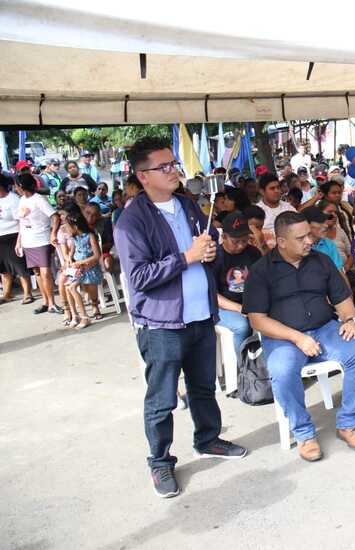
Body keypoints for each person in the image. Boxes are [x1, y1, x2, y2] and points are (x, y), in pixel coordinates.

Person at [114, 137, 246, 499]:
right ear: (143, 176)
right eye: (164, 166)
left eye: (174, 164)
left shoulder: (188, 206)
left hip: (201, 316)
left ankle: (208, 438)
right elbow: (139, 277)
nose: (174, 171)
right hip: (162, 324)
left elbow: (206, 251)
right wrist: (187, 257)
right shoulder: (130, 222)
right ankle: (159, 460)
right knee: (162, 399)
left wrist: (211, 251)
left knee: (203, 386)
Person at [243, 211, 355, 462]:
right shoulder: (261, 271)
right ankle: (304, 432)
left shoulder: (321, 261)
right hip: (283, 336)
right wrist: (297, 338)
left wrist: (349, 319)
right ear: (281, 242)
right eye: (301, 238)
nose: (309, 241)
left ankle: (348, 423)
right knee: (282, 370)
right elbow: (257, 320)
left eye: (309, 235)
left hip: (325, 329)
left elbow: (342, 297)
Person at [213, 211, 260, 358]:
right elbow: (211, 295)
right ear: (224, 237)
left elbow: (262, 281)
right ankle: (242, 366)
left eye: (244, 241)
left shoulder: (253, 253)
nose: (240, 245)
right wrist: (240, 308)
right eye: (235, 242)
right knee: (242, 326)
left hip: (250, 304)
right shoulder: (215, 257)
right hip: (221, 308)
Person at [15, 173, 61, 314]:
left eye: (17, 186)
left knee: (45, 272)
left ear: (22, 186)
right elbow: (21, 223)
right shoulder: (22, 200)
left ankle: (52, 303)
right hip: (28, 240)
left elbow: (55, 217)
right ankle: (46, 302)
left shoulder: (39, 200)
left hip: (41, 239)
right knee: (37, 273)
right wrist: (19, 241)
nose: (16, 188)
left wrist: (53, 233)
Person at [63, 210, 103, 329]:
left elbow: (97, 255)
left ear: (75, 227)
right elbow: (71, 253)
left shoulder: (90, 236)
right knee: (68, 287)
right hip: (79, 269)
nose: (66, 229)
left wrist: (80, 263)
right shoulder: (74, 238)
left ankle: (88, 312)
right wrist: (69, 260)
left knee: (81, 289)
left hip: (90, 267)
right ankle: (76, 315)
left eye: (67, 226)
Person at [0, 175, 33, 304]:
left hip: (13, 235)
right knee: (3, 269)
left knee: (19, 266)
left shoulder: (13, 199)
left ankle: (27, 293)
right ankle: (7, 294)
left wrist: (20, 239)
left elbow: (21, 220)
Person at [304, 206, 345, 271]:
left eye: (324, 221)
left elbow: (339, 271)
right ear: (306, 225)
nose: (326, 225)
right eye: (320, 222)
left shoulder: (329, 244)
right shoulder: (300, 248)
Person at [257, 172, 296, 240]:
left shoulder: (288, 207)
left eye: (278, 187)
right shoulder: (256, 211)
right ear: (262, 191)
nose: (276, 191)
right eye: (272, 188)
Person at [318, 199, 352, 272]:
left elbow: (351, 253)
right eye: (330, 212)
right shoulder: (316, 235)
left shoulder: (340, 231)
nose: (334, 215)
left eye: (335, 212)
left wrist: (347, 266)